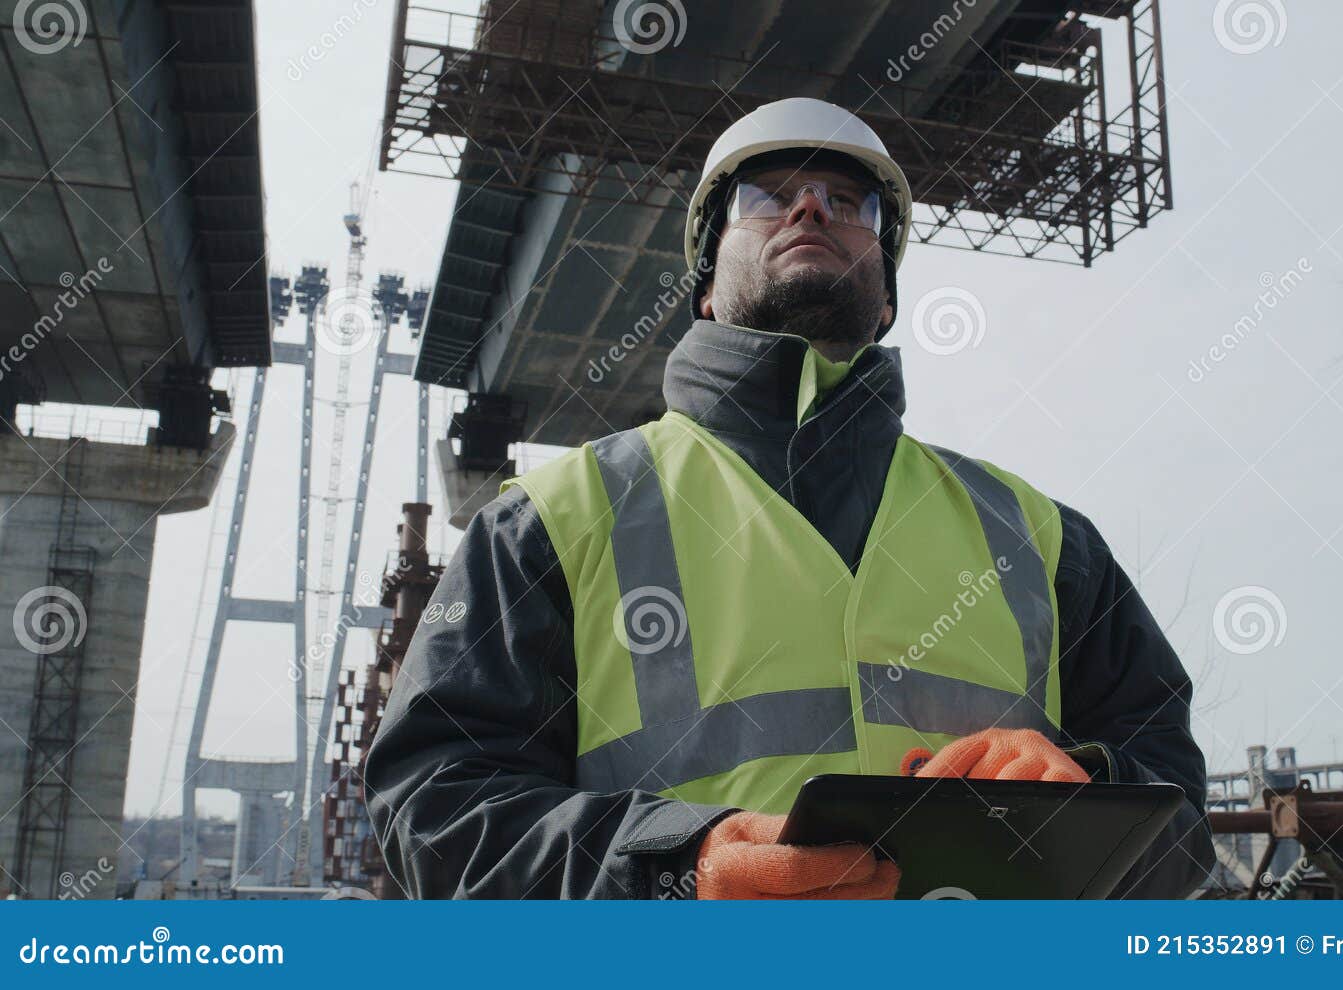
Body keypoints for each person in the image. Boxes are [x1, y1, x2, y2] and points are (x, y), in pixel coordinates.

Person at [364, 97, 1215, 899]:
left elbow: (1177, 816)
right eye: (767, 196)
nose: (810, 210)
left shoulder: (1044, 538)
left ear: (885, 300)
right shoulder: (549, 522)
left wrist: (1085, 794)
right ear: (704, 282)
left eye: (849, 202)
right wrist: (674, 868)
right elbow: (433, 805)